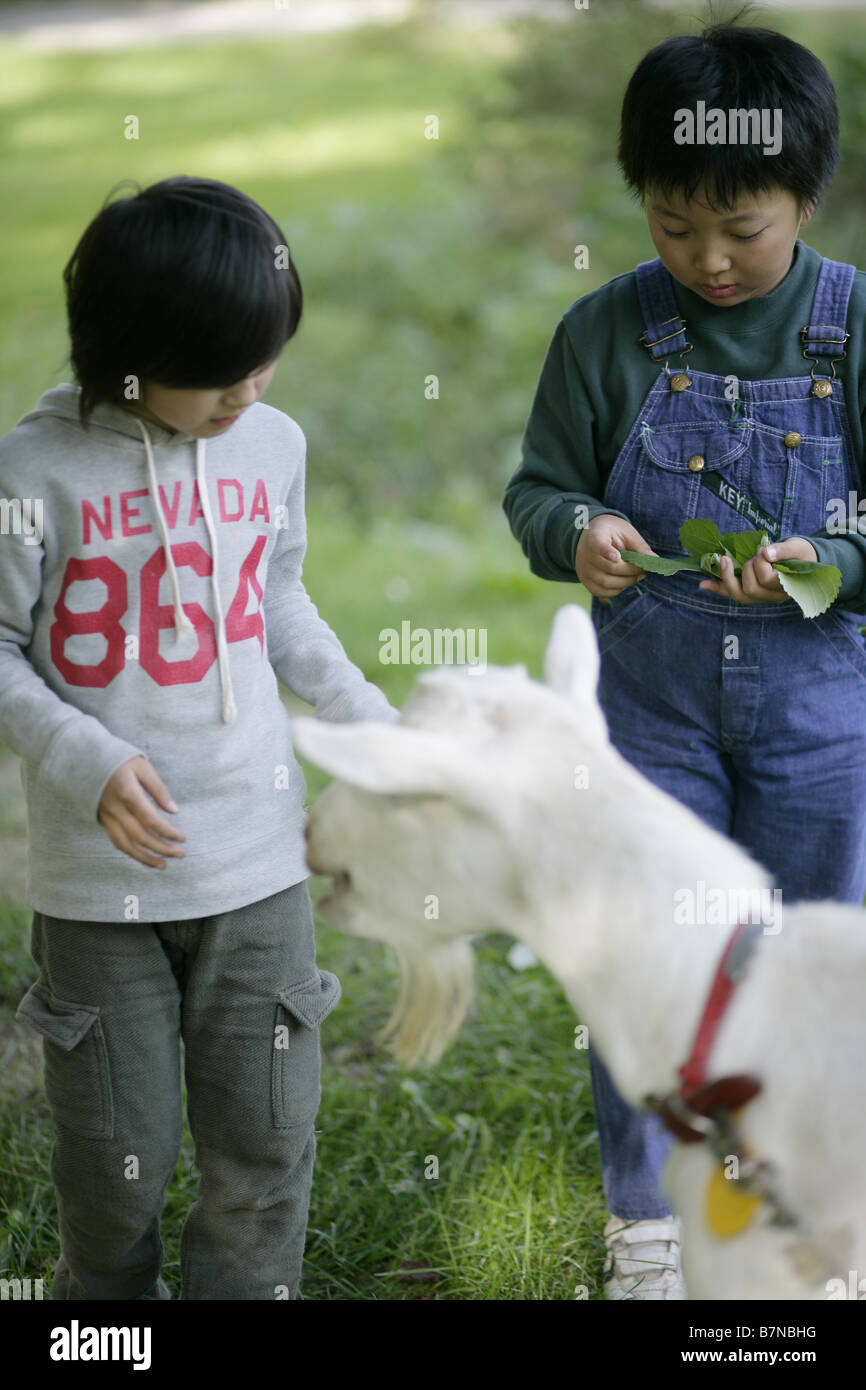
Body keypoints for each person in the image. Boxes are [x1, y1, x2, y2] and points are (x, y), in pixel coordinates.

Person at [503, 13, 866, 1299]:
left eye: (741, 230)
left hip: (818, 708)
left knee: (816, 956)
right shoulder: (605, 334)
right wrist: (579, 531)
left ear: (804, 196)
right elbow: (537, 489)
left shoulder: (852, 331)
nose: (706, 260)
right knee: (650, 955)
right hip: (649, 702)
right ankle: (650, 1221)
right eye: (673, 228)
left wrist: (822, 561)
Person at [2, 175, 395, 1300]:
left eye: (263, 360)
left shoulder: (269, 445)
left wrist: (368, 723)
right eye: (218, 372)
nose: (248, 390)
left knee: (263, 1144)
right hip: (99, 893)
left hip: (256, 867)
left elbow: (275, 600)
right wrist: (86, 757)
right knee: (112, 1165)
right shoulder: (31, 476)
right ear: (123, 353)